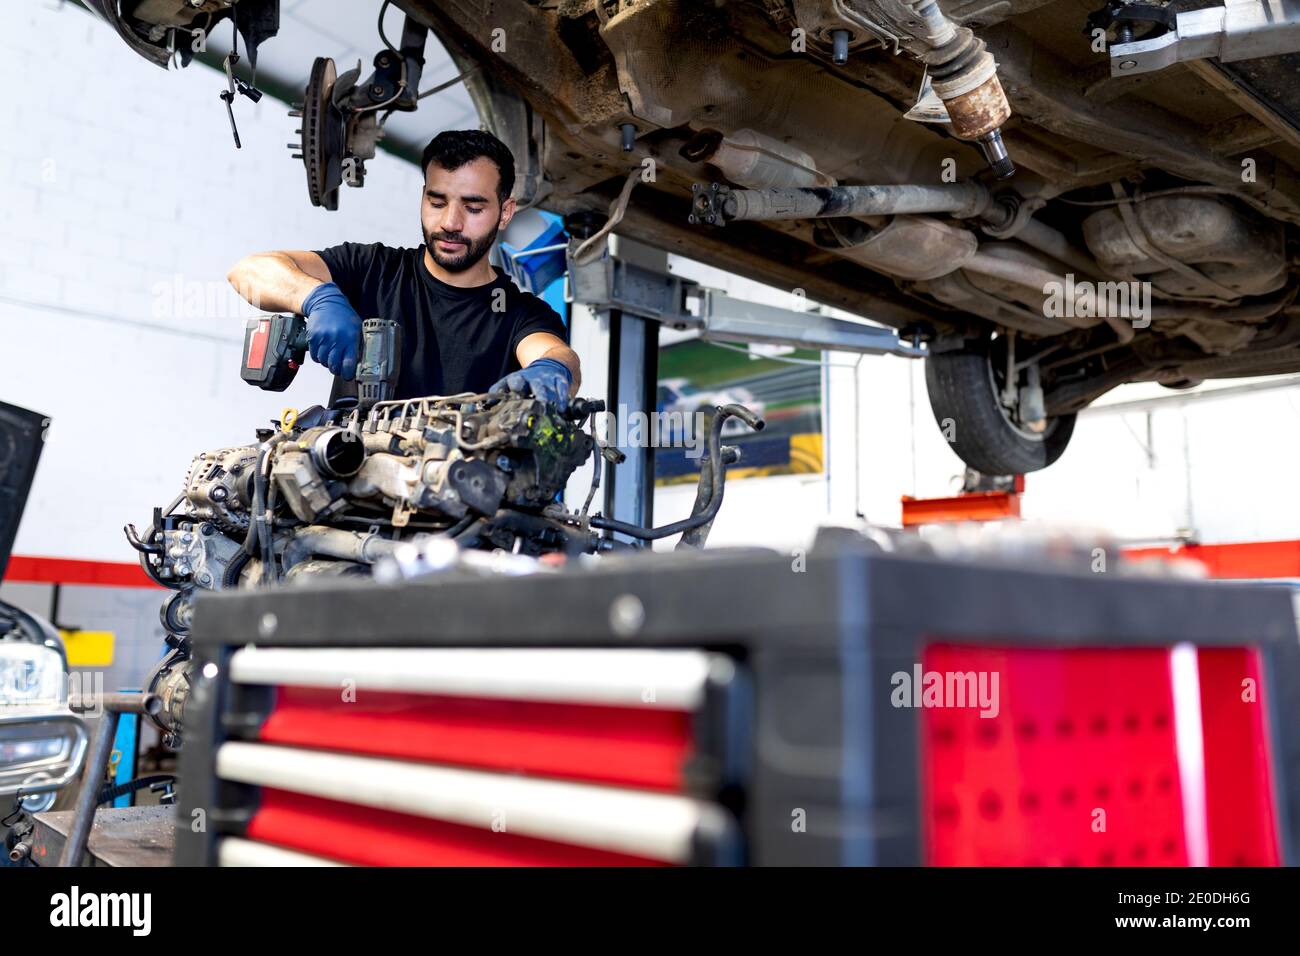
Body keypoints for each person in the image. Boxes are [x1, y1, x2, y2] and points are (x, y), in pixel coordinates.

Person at [227, 129, 580, 408]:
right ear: (423, 197)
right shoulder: (371, 269)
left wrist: (554, 371)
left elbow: (553, 353)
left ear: (504, 212)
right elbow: (248, 271)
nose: (450, 223)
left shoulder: (520, 314)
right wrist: (315, 297)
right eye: (437, 202)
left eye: (473, 208)